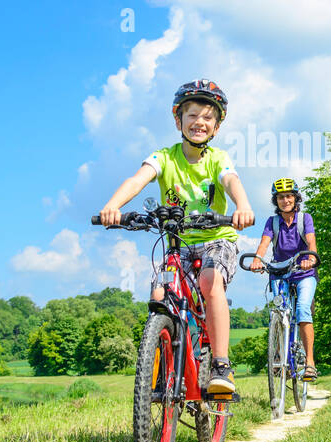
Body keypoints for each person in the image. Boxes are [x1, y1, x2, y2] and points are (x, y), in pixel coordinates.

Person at [98, 79, 255, 397]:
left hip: (216, 239)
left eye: (208, 117)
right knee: (159, 293)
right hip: (177, 243)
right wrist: (113, 206)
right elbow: (138, 179)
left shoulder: (217, 158)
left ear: (216, 127)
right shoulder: (164, 157)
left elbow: (231, 180)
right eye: (192, 115)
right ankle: (160, 368)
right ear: (178, 120)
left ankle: (221, 364)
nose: (199, 122)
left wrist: (243, 205)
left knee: (210, 282)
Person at [249, 178, 320, 380]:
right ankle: (280, 355)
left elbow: (311, 241)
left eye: (289, 196)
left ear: (296, 198)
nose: (285, 200)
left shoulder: (305, 218)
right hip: (280, 271)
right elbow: (264, 243)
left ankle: (309, 363)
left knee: (303, 309)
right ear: (276, 200)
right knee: (279, 311)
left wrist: (310, 258)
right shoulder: (272, 222)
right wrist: (257, 259)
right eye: (281, 197)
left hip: (304, 271)